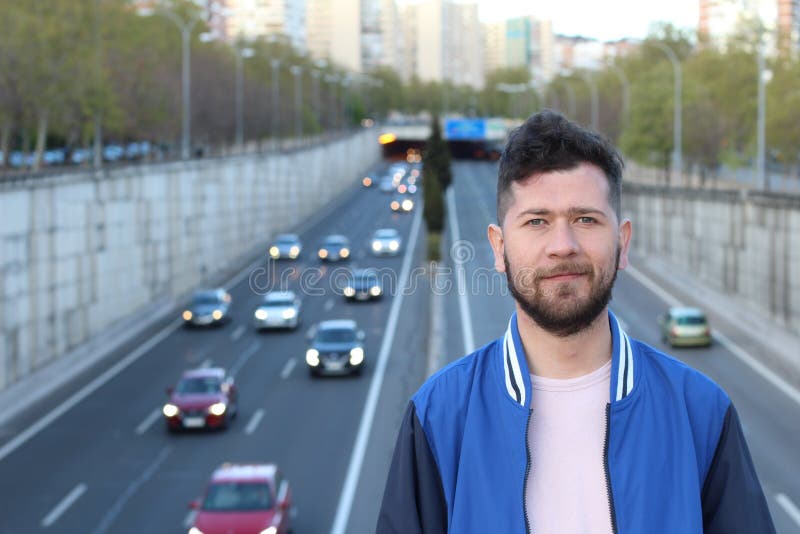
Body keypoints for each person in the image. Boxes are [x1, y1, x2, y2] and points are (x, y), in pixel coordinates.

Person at [376, 110, 775, 534]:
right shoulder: (439, 416)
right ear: (498, 247)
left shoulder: (701, 411)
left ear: (622, 243)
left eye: (585, 219)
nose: (562, 246)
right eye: (536, 222)